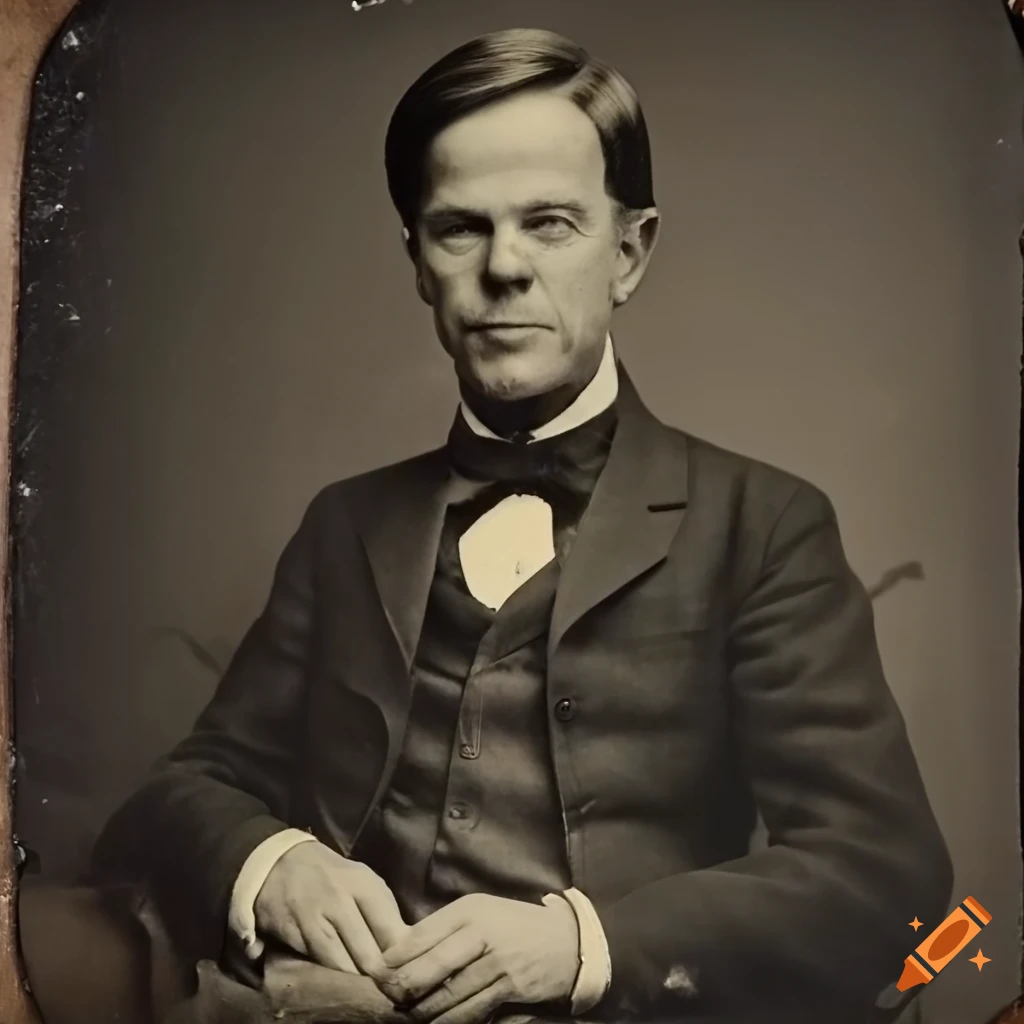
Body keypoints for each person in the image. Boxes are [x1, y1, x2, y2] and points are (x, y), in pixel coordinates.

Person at [92, 27, 953, 1024]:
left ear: (627, 253)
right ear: (418, 260)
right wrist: (271, 860)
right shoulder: (346, 525)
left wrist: (583, 947)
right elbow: (183, 790)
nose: (503, 267)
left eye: (549, 223)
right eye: (460, 227)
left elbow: (879, 869)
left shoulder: (763, 525)